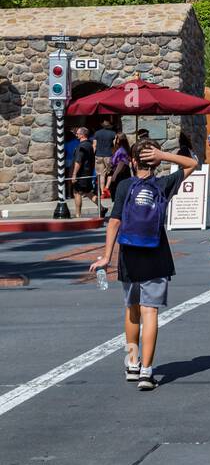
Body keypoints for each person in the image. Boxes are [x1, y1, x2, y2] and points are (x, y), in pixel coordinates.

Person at [88, 139, 198, 390]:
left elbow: (114, 222)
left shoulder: (125, 186)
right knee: (150, 314)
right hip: (156, 254)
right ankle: (147, 372)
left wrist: (106, 257)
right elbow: (193, 163)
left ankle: (132, 362)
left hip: (129, 255)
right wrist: (164, 155)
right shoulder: (164, 184)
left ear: (133, 162)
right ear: (155, 162)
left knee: (132, 311)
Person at [70, 128, 98, 218]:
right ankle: (101, 207)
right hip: (87, 172)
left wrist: (74, 174)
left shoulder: (81, 146)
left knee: (76, 192)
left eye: (77, 133)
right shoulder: (89, 145)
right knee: (88, 192)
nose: (76, 135)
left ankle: (78, 214)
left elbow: (78, 161)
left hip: (81, 173)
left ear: (83, 135)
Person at [93, 117, 116, 201]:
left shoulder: (97, 133)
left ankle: (102, 192)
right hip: (109, 155)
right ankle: (107, 188)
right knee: (110, 173)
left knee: (101, 174)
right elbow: (115, 145)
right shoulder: (113, 134)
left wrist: (94, 154)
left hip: (98, 155)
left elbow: (94, 145)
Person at [105, 133, 131, 200]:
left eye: (115, 138)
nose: (113, 140)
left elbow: (121, 163)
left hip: (120, 173)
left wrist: (115, 175)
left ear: (118, 140)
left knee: (120, 195)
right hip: (121, 172)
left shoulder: (121, 150)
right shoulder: (122, 149)